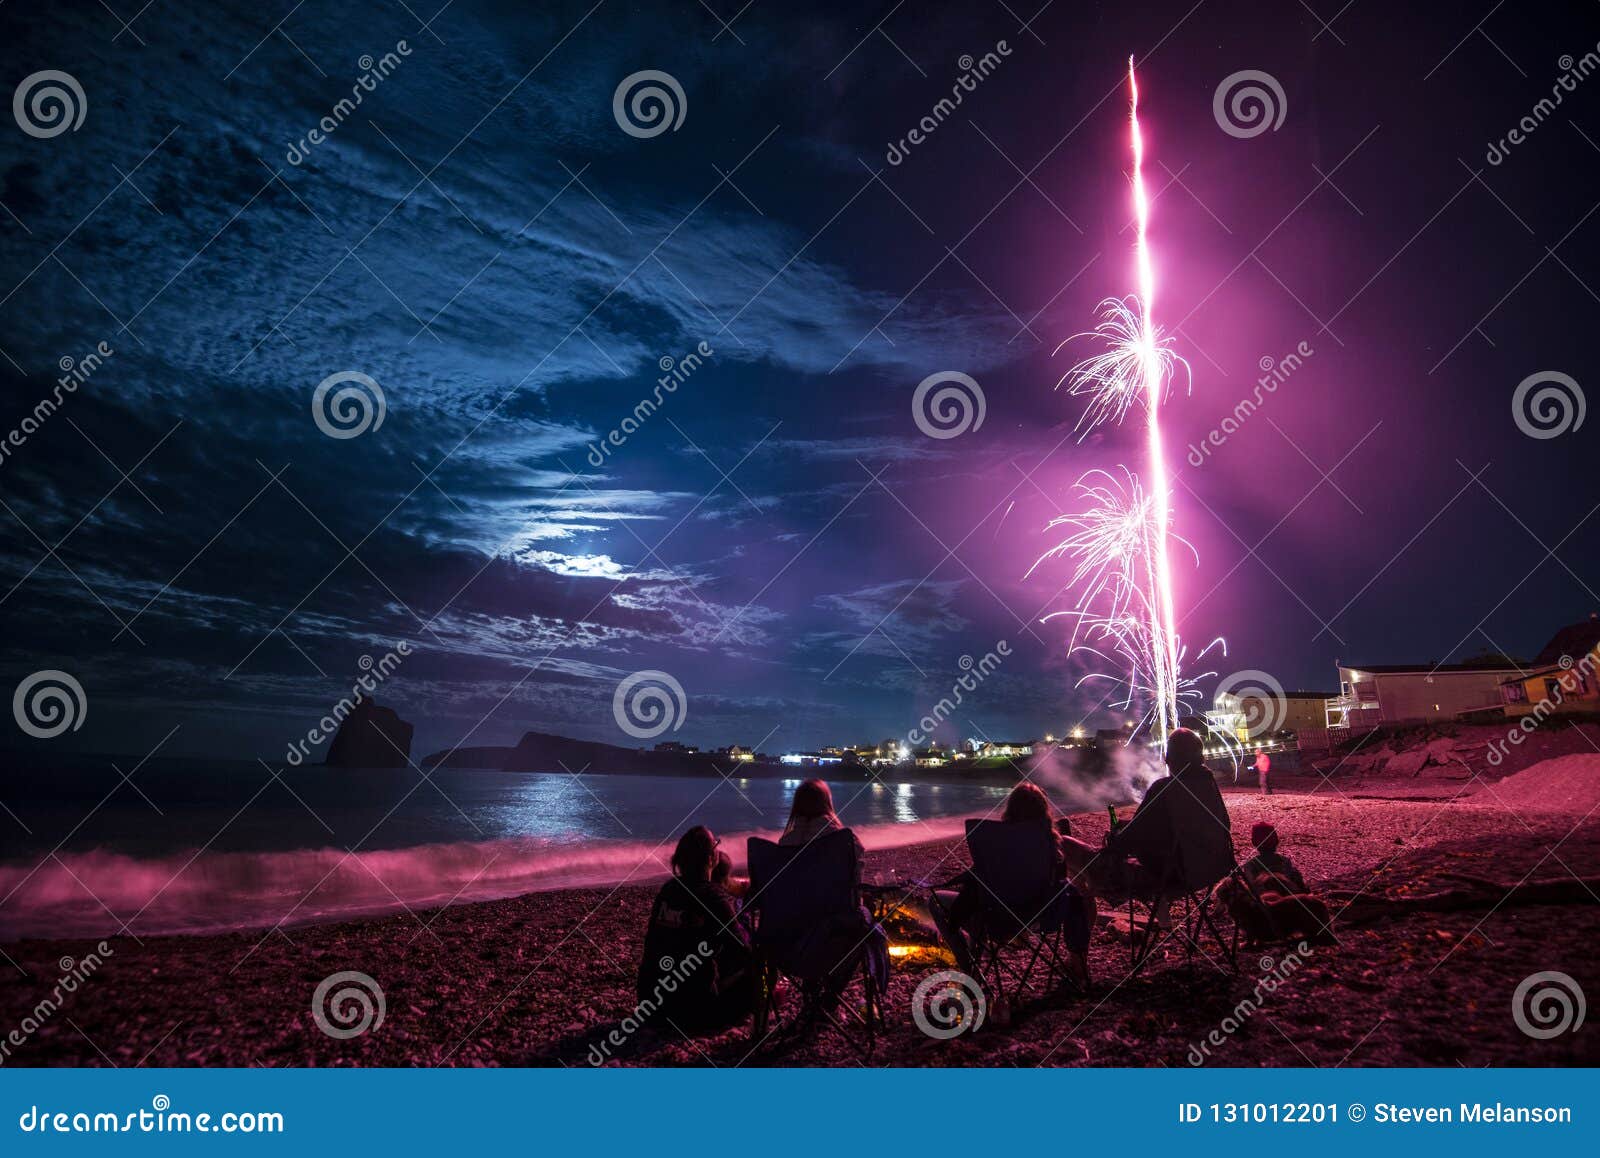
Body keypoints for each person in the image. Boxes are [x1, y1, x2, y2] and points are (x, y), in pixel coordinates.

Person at [1059, 728, 1233, 930]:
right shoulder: (1208, 784)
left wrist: (1116, 838)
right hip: (1211, 870)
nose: (1166, 760)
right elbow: (1221, 826)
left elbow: (1125, 844)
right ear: (1200, 757)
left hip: (1171, 878)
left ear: (1171, 759)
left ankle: (1078, 927)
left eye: (1168, 755)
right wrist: (1132, 828)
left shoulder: (1163, 788)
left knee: (1066, 845)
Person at [929, 782, 1092, 989]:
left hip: (996, 917)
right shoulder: (1048, 840)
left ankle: (969, 967)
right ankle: (1078, 963)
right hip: (1040, 915)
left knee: (937, 900)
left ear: (1010, 808)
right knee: (1070, 890)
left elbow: (979, 878)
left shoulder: (993, 841)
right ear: (1044, 811)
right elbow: (1060, 883)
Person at [770, 779, 888, 1001]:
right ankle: (831, 996)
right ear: (827, 803)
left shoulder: (785, 844)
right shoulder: (846, 841)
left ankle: (811, 991)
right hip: (833, 936)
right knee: (867, 925)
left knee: (809, 909)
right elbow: (854, 885)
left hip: (790, 942)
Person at [636, 826, 755, 1033]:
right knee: (760, 969)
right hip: (696, 1015)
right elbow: (743, 951)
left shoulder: (668, 891)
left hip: (651, 1008)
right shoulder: (714, 898)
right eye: (715, 845)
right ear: (711, 858)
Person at [1221, 821, 1335, 946]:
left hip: (1267, 909)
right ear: (1277, 841)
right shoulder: (1285, 861)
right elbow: (1298, 882)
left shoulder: (1251, 865)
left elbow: (1251, 890)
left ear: (1254, 843)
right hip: (1290, 900)